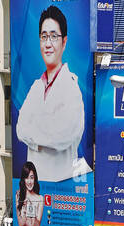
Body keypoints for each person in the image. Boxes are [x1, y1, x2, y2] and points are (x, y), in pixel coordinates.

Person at [15, 5, 88, 184]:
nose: (48, 43)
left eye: (54, 36)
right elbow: (20, 129)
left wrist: (33, 138)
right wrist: (45, 134)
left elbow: (61, 139)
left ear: (64, 42)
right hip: (34, 186)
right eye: (44, 36)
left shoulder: (72, 90)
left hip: (62, 188)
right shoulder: (35, 87)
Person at [16, 161, 44, 226]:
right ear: (23, 179)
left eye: (31, 178)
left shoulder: (40, 198)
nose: (29, 181)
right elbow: (21, 224)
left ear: (35, 179)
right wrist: (25, 210)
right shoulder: (19, 195)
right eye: (26, 178)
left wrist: (32, 211)